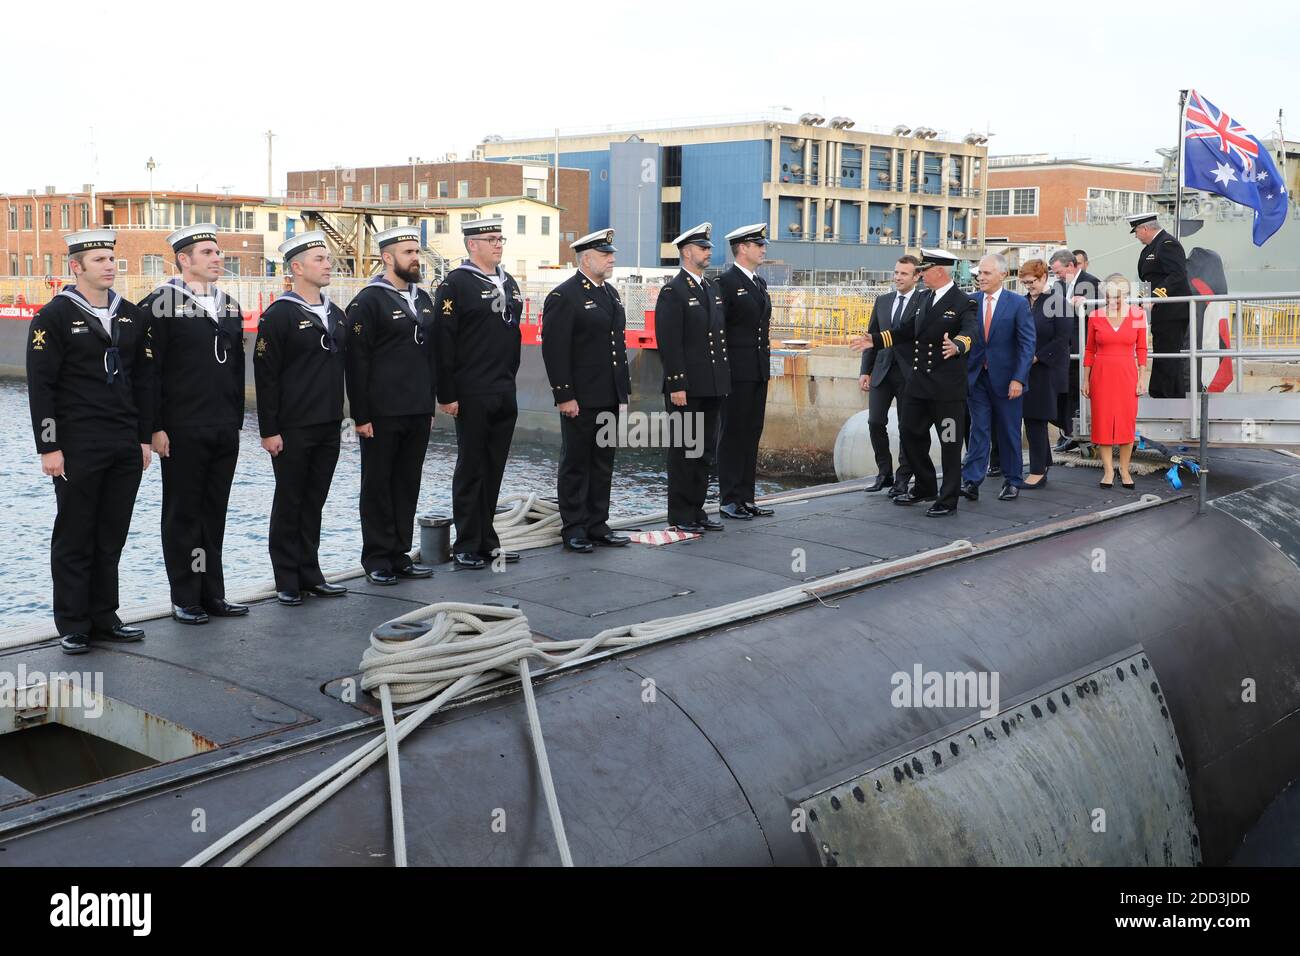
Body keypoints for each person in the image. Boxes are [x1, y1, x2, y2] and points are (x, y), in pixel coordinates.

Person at [26, 229, 153, 654]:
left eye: (111, 258)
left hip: (122, 441)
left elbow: (141, 382)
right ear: (76, 267)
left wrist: (143, 439)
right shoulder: (54, 317)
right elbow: (41, 386)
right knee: (75, 533)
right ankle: (74, 623)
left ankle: (104, 616)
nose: (109, 265)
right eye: (99, 259)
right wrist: (49, 446)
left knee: (111, 533)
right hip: (78, 443)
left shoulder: (131, 316)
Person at [139, 224, 248, 626]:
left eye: (217, 252)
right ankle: (185, 596)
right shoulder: (159, 304)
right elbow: (148, 372)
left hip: (222, 425)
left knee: (214, 513)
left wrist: (236, 419)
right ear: (184, 260)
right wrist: (155, 427)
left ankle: (211, 593)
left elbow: (236, 368)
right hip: (181, 428)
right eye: (207, 252)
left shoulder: (229, 304)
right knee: (184, 514)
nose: (217, 258)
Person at [254, 231, 349, 605]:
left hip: (328, 424)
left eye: (327, 259)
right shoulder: (279, 316)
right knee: (290, 501)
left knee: (315, 501)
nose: (328, 265)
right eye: (320, 260)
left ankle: (311, 571)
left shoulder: (336, 314)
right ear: (297, 268)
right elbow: (266, 376)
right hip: (292, 428)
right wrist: (269, 430)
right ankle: (287, 578)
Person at [851, 248, 977, 517]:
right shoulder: (924, 299)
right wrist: (875, 340)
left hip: (946, 388)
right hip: (919, 384)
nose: (920, 275)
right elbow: (906, 331)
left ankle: (948, 498)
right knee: (909, 433)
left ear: (939, 271)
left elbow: (971, 332)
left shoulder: (963, 302)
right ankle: (925, 485)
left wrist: (958, 345)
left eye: (923, 270)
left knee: (950, 442)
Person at [345, 225, 437, 586]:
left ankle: (400, 553)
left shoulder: (424, 299)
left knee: (407, 483)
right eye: (408, 252)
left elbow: (429, 357)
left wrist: (428, 406)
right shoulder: (368, 301)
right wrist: (361, 415)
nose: (416, 258)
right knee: (378, 485)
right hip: (381, 413)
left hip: (416, 409)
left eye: (417, 251)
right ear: (388, 257)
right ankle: (377, 557)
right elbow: (357, 362)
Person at [433, 217, 523, 569]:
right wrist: (447, 393)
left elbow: (512, 336)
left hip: (503, 388)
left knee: (494, 467)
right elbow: (443, 341)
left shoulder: (508, 282)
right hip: (472, 391)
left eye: (501, 238)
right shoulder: (456, 284)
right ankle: (467, 543)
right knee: (471, 467)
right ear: (472, 245)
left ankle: (487, 539)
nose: (498, 244)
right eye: (491, 239)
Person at [540, 228, 632, 553]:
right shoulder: (564, 296)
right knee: (576, 462)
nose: (612, 259)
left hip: (607, 395)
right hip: (580, 397)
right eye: (606, 254)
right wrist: (564, 395)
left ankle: (597, 523)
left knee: (603, 461)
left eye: (612, 254)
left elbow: (616, 348)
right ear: (587, 258)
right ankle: (574, 527)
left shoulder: (611, 294)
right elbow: (555, 350)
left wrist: (623, 393)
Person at [655, 222, 730, 532]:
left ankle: (697, 510)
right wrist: (677, 384)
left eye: (709, 247)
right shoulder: (674, 291)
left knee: (704, 452)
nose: (709, 252)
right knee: (685, 451)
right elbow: (669, 342)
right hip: (687, 388)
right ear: (687, 253)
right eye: (703, 248)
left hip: (710, 385)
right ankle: (681, 514)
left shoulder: (710, 288)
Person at [960, 253, 1035, 503]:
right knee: (978, 430)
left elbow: (1027, 344)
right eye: (979, 273)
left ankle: (1013, 480)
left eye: (986, 273)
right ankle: (971, 480)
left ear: (1002, 275)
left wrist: (1019, 379)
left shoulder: (1017, 304)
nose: (981, 277)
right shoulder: (970, 302)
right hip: (977, 378)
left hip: (1007, 381)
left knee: (1009, 431)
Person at [716, 223, 774, 519]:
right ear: (742, 248)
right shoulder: (725, 283)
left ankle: (746, 497)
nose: (764, 249)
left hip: (758, 370)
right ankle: (728, 499)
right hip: (736, 372)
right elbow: (718, 331)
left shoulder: (759, 283)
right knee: (732, 434)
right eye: (758, 244)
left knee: (751, 433)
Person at [859, 255, 923, 497]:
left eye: (904, 273)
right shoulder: (883, 301)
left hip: (910, 374)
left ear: (916, 276)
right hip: (882, 371)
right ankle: (883, 473)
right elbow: (871, 337)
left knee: (908, 427)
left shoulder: (923, 300)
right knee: (875, 422)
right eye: (896, 272)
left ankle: (903, 478)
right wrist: (865, 371)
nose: (898, 277)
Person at [1082, 274, 1149, 489]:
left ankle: (1125, 468)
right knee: (1102, 422)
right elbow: (1090, 349)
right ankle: (1108, 470)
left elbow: (1142, 349)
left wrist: (1141, 378)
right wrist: (1086, 380)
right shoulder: (1094, 316)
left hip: (1127, 374)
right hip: (1101, 374)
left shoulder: (1138, 314)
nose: (1115, 300)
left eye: (1119, 296)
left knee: (1126, 423)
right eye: (1111, 296)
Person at [1017, 260, 1070, 487]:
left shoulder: (1058, 303)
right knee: (1031, 418)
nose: (1029, 286)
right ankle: (1044, 462)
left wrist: (1037, 357)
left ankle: (1037, 470)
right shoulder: (1021, 303)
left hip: (1045, 370)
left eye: (1033, 282)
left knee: (1036, 419)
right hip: (1025, 368)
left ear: (1043, 278)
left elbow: (1062, 340)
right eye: (1026, 283)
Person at [1128, 213, 1192, 398]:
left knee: (1169, 353)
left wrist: (1156, 296)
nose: (1136, 235)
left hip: (1171, 310)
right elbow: (1147, 279)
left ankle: (1169, 395)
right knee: (1162, 351)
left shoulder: (1167, 245)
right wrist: (1139, 302)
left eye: (1137, 231)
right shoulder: (1150, 248)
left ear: (1146, 228)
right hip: (1157, 310)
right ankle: (1161, 392)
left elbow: (1177, 275)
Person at [1048, 248, 1102, 452]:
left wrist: (1084, 304)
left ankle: (1078, 434)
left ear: (1070, 266)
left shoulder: (1091, 282)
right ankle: (1067, 431)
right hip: (1064, 347)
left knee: (1079, 391)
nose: (1057, 275)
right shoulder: (1058, 285)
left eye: (1059, 271)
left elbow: (1098, 312)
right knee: (1064, 390)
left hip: (1083, 347)